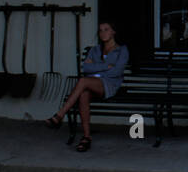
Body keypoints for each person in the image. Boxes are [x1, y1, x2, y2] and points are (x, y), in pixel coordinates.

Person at [45, 20, 128, 152]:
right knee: (83, 93)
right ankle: (86, 137)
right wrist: (106, 66)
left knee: (83, 82)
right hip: (92, 83)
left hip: (109, 85)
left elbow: (116, 72)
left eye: (106, 29)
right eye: (100, 30)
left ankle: (59, 115)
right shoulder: (94, 50)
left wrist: (97, 70)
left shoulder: (121, 50)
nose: (102, 33)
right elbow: (86, 68)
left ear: (113, 32)